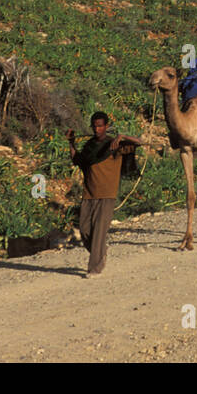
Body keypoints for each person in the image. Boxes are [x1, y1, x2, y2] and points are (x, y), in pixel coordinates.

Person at [69, 112, 141, 276]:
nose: (97, 129)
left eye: (100, 126)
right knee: (85, 231)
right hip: (89, 194)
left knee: (100, 232)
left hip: (107, 194)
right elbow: (77, 160)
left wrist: (123, 137)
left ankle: (95, 268)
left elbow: (139, 142)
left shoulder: (115, 145)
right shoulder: (89, 146)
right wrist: (71, 143)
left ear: (106, 126)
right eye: (94, 126)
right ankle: (100, 252)